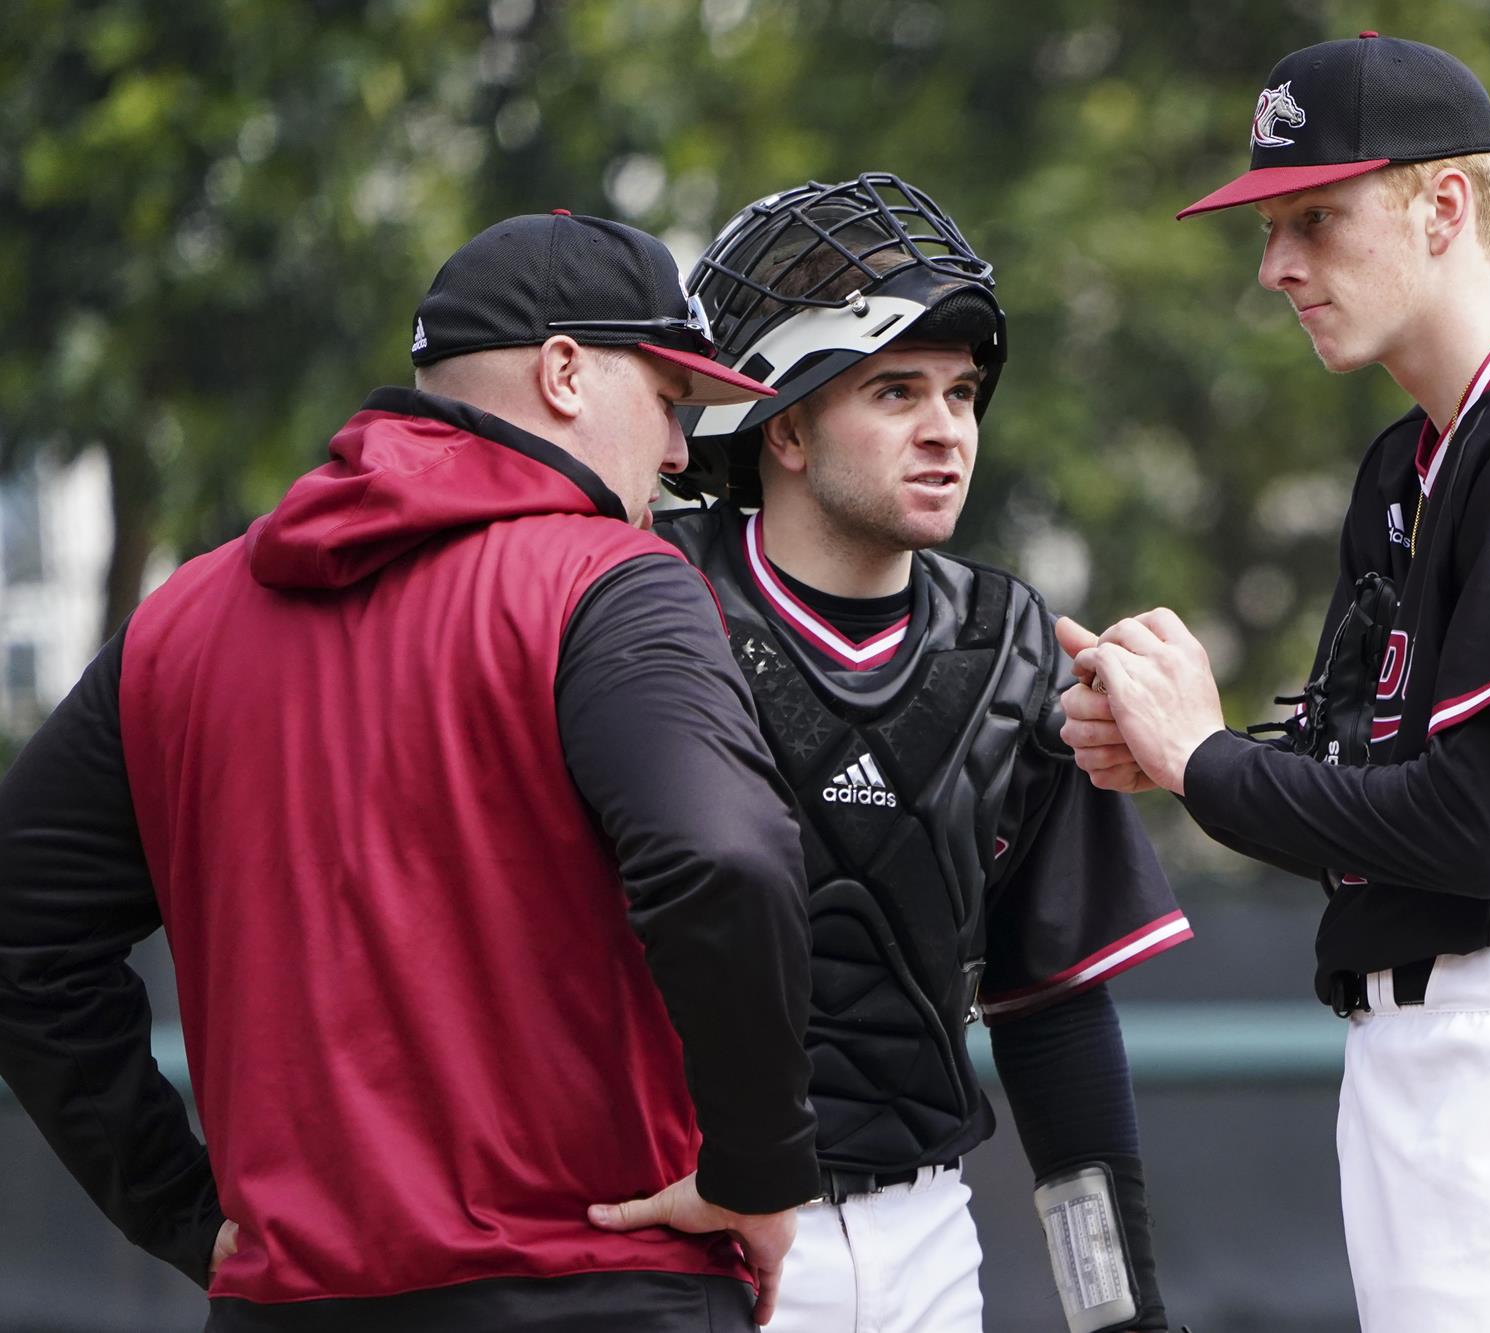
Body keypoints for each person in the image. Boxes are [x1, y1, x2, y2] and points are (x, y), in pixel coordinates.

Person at [0, 210, 825, 1330]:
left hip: (293, 1304)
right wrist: (761, 1166)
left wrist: (182, 1212)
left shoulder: (181, 621)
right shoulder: (611, 581)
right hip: (601, 1292)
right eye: (670, 402)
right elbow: (722, 854)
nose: (680, 453)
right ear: (566, 372)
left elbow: (20, 934)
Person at [1058, 34, 1490, 1333]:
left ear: (1445, 206)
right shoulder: (1407, 464)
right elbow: (1372, 775)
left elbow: (1476, 830)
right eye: (1270, 224)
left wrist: (1205, 763)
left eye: (1317, 217)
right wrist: (1168, 743)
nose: (1277, 265)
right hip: (1437, 1046)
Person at [650, 172, 1192, 1333]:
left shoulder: (1012, 649)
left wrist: (1121, 1317)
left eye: (960, 392)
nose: (946, 429)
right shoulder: (642, 606)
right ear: (782, 424)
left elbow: (1052, 1017)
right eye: (895, 391)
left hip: (925, 1242)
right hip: (680, 1236)